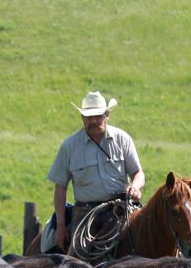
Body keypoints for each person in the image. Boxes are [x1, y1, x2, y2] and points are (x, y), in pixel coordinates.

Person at [46, 91, 145, 252]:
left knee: (148, 240)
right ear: (82, 118)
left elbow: (138, 173)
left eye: (98, 116)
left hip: (121, 208)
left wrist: (135, 187)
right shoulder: (69, 146)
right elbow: (60, 187)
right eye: (88, 116)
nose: (93, 121)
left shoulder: (122, 139)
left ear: (107, 115)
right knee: (78, 255)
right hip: (86, 213)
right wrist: (61, 226)